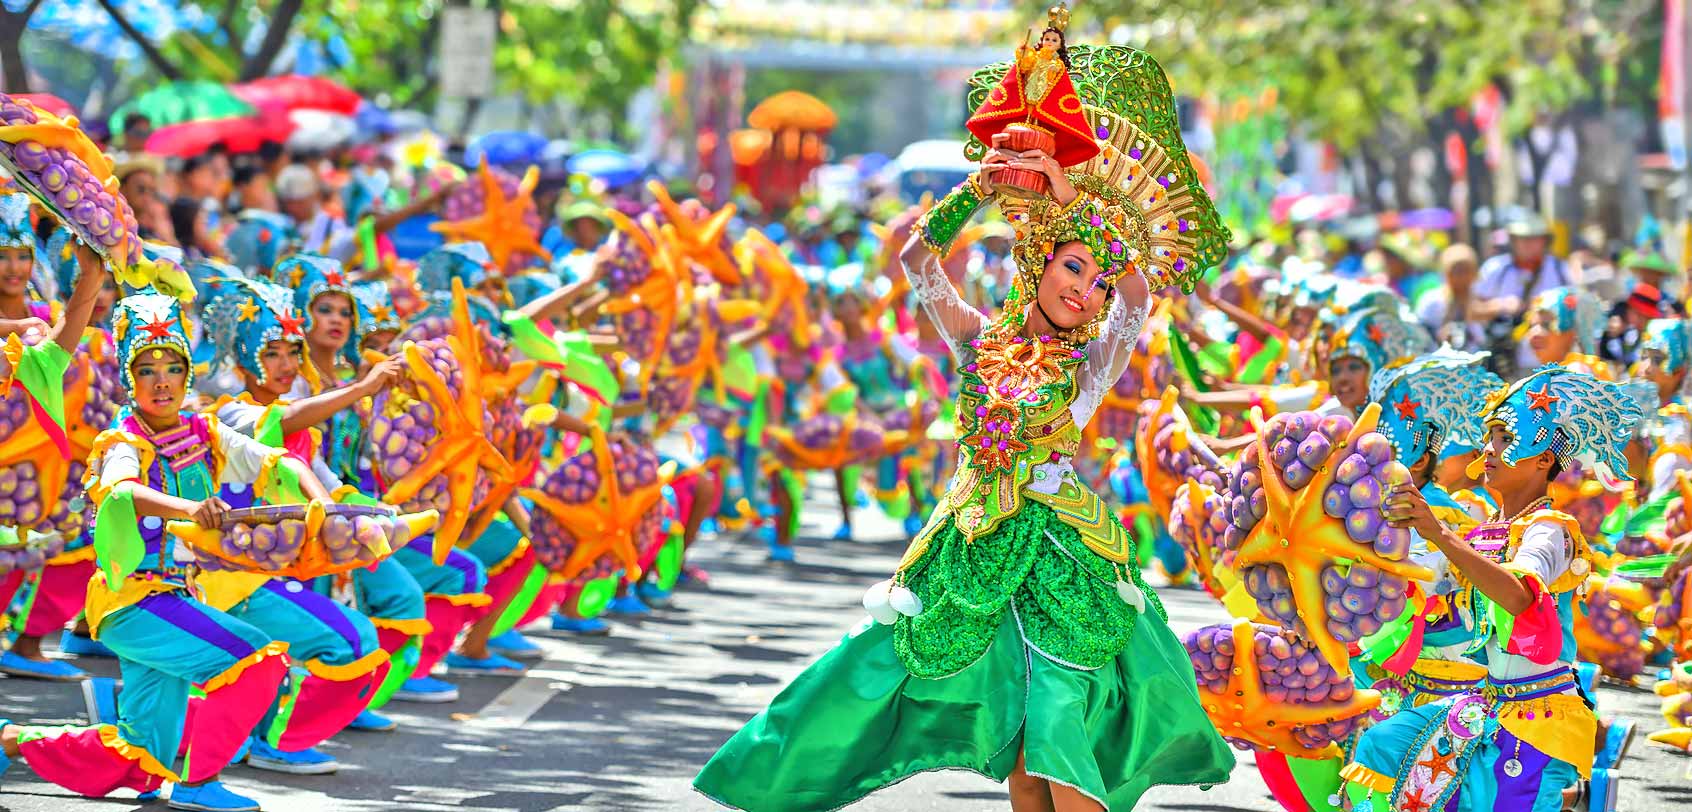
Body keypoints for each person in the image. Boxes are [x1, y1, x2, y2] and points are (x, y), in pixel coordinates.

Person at [695, 38, 1235, 811]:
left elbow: (1140, 304)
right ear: (1040, 263)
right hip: (970, 544)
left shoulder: (1089, 366)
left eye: (1097, 277)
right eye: (1074, 266)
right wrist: (978, 187)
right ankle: (782, 768)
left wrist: (1071, 194)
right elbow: (918, 260)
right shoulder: (980, 340)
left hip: (1057, 556)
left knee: (1056, 725)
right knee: (1005, 738)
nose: (1086, 290)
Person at [1347, 366, 1643, 812]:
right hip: (1482, 705)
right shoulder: (1486, 531)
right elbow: (1455, 612)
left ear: (1543, 458)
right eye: (1490, 436)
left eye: (1505, 438)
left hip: (1538, 719)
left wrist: (1439, 534)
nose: (1489, 448)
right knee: (1381, 748)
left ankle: (1586, 790)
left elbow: (1520, 596)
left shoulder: (1551, 531)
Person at [1475, 214, 1571, 374]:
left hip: (1551, 362)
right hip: (1504, 361)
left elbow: (1576, 309)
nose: (1528, 244)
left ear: (1545, 241)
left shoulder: (1560, 269)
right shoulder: (1495, 269)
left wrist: (1545, 313)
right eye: (1522, 239)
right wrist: (1501, 306)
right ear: (1513, 241)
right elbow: (1472, 311)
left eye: (1534, 239)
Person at [1417, 243, 1485, 350]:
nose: (1461, 276)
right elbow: (1420, 335)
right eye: (1456, 270)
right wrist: (1438, 336)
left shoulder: (1482, 301)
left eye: (1466, 270)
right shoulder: (1432, 301)